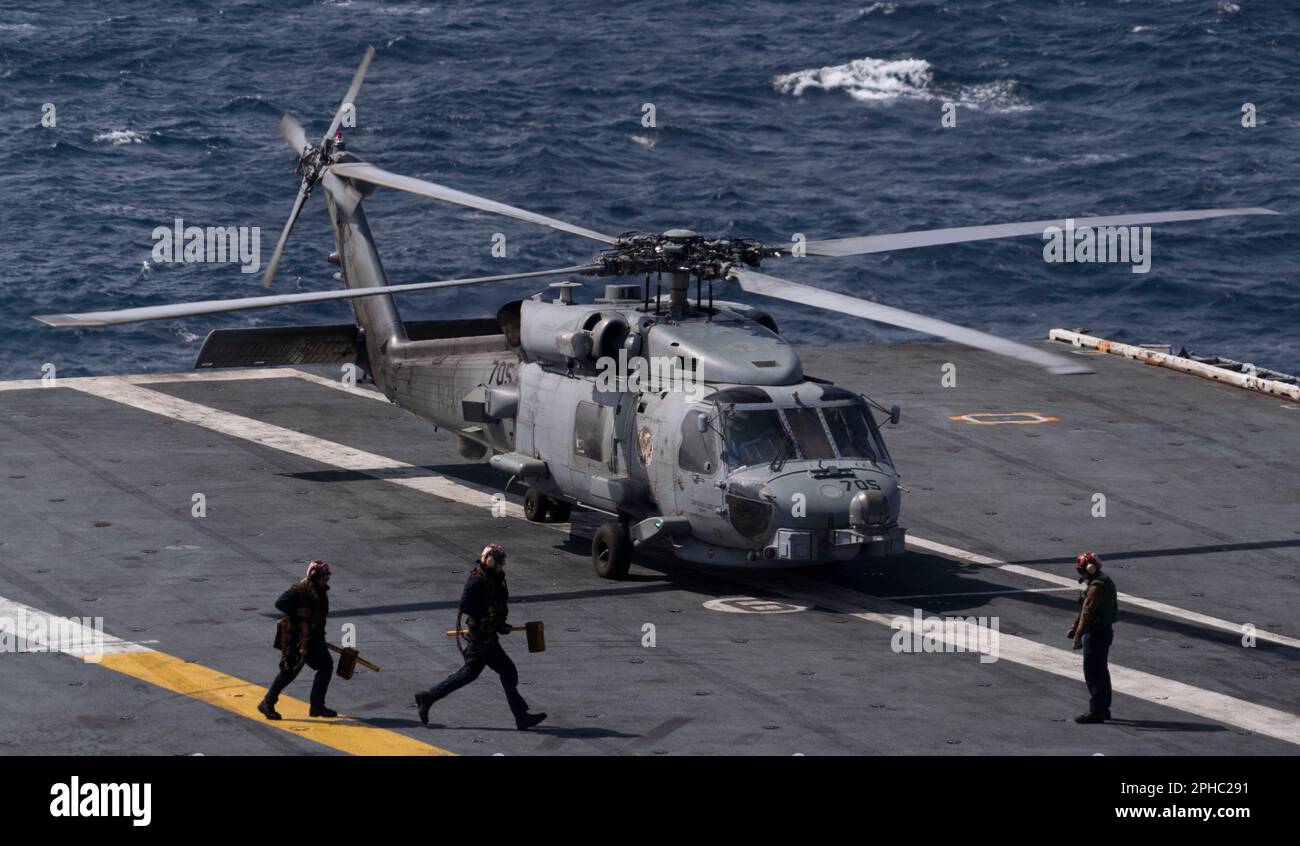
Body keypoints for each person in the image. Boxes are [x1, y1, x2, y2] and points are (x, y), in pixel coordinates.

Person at [415, 544, 546, 730]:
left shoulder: (496, 578)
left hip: (487, 633)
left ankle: (428, 697)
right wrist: (487, 615)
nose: (503, 565)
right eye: (500, 562)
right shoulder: (476, 580)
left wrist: (500, 625)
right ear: (490, 561)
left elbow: (497, 606)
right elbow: (465, 606)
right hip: (482, 636)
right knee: (508, 671)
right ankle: (521, 716)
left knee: (469, 673)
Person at [258, 560, 337, 720]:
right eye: (324, 577)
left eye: (327, 578)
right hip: (296, 637)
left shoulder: (320, 591)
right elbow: (280, 603)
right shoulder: (299, 589)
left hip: (315, 637)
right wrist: (299, 612)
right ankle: (267, 703)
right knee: (288, 672)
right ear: (315, 576)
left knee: (326, 666)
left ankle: (317, 706)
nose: (326, 581)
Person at [1068, 551, 1118, 724]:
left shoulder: (1096, 587)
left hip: (1096, 634)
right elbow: (1085, 609)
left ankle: (1097, 711)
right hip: (1104, 632)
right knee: (1101, 671)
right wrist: (1075, 628)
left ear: (1088, 569)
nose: (1080, 574)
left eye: (1080, 570)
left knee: (1092, 672)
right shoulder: (1103, 581)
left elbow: (1087, 613)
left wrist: (1077, 637)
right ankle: (1103, 709)